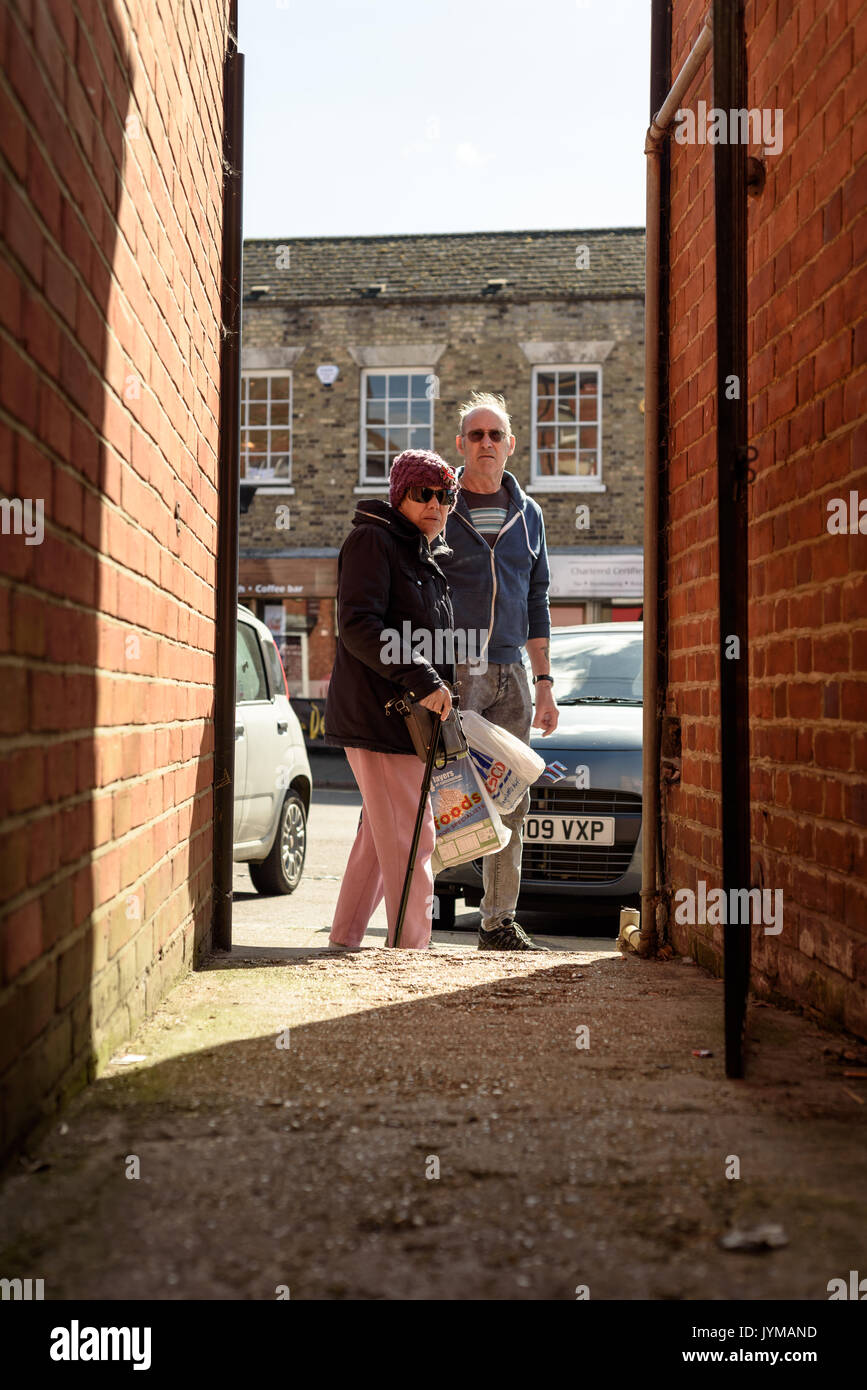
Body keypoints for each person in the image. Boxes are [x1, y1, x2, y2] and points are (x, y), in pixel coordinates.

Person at [324, 450, 458, 950]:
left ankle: (342, 944)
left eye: (444, 496)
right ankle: (412, 954)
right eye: (423, 493)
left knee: (379, 844)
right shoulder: (373, 540)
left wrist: (441, 688)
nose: (435, 505)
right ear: (399, 494)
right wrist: (423, 679)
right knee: (413, 840)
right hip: (383, 718)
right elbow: (358, 625)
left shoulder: (422, 554)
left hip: (408, 720)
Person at [439, 391, 559, 951]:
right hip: (457, 668)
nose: (486, 443)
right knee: (444, 790)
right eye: (476, 435)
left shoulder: (528, 514)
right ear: (461, 445)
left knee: (511, 793)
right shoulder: (441, 504)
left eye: (496, 435)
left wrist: (545, 684)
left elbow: (538, 599)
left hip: (512, 671)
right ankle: (414, 913)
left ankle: (498, 922)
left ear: (511, 445)